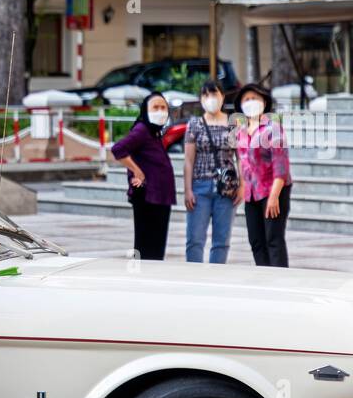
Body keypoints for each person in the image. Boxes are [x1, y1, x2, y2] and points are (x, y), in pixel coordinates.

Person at [111, 91, 176, 260]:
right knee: (146, 246)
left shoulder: (154, 132)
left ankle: (152, 277)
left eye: (163, 107)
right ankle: (142, 277)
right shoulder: (142, 130)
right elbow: (118, 149)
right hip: (147, 197)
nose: (160, 111)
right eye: (155, 107)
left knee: (156, 246)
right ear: (146, 110)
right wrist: (136, 170)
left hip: (159, 197)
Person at [234, 82, 293, 266]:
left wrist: (274, 197)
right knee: (256, 241)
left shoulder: (273, 129)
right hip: (252, 194)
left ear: (264, 102)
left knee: (273, 240)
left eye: (255, 98)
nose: (251, 102)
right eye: (247, 99)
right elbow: (242, 162)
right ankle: (265, 279)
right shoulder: (241, 132)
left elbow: (281, 167)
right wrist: (242, 187)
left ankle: (280, 283)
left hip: (274, 190)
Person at [184, 79, 241, 263]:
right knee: (194, 239)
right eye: (206, 95)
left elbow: (241, 158)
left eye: (214, 94)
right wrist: (187, 190)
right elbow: (188, 159)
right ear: (200, 99)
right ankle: (194, 279)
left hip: (226, 188)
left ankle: (217, 278)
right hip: (200, 187)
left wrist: (244, 185)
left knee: (222, 241)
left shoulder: (234, 124)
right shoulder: (194, 124)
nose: (210, 99)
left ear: (223, 96)